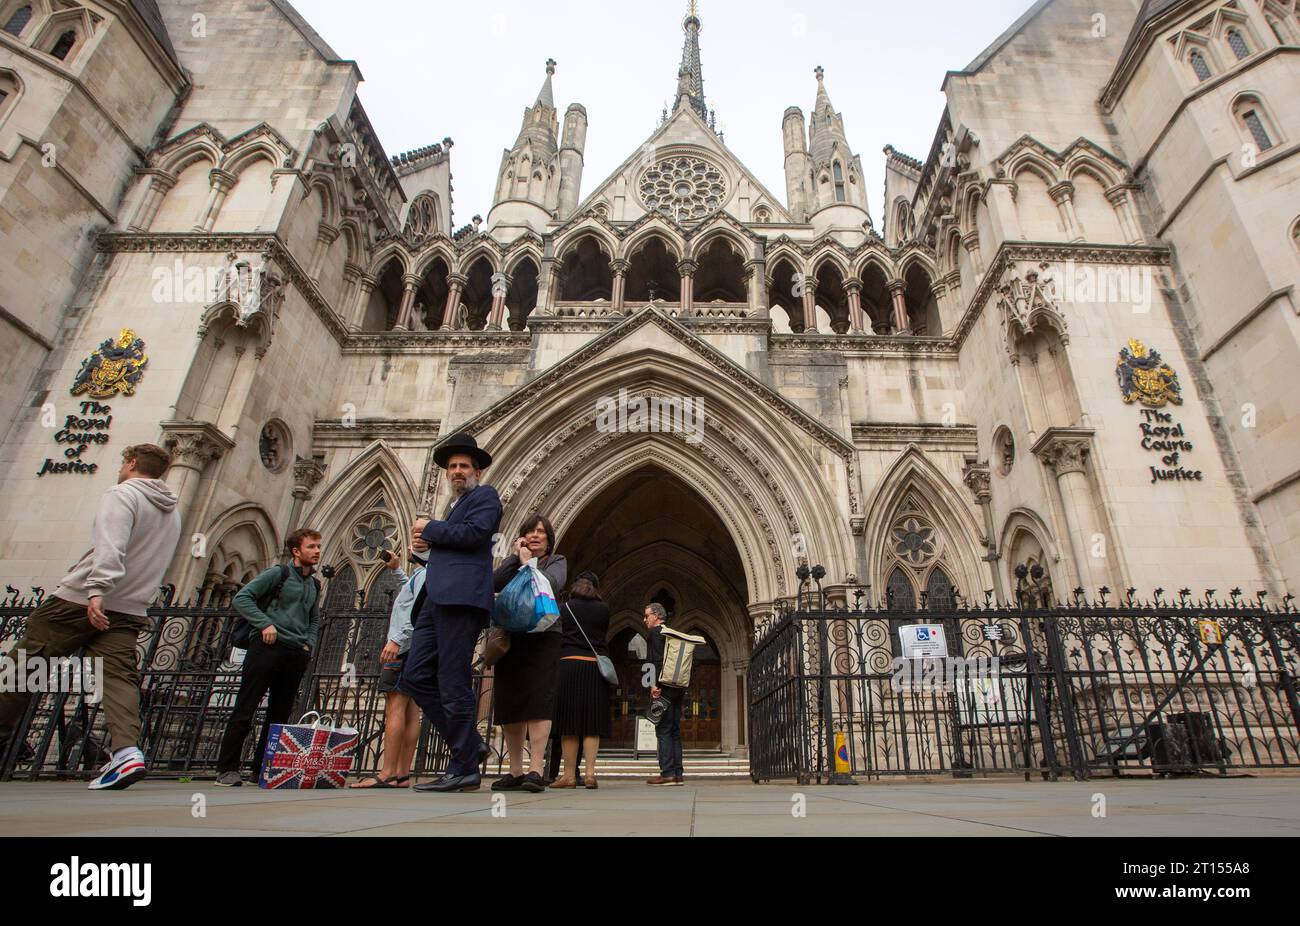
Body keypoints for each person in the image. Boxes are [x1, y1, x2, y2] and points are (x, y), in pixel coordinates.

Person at [0, 445, 181, 791]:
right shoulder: (171, 512)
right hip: (129, 606)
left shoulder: (122, 493)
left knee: (25, 664)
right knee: (118, 679)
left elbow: (110, 543)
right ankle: (127, 752)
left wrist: (98, 588)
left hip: (83, 600)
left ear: (130, 463)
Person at [403, 433, 503, 793]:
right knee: (414, 676)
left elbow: (476, 535)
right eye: (452, 467)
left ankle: (463, 767)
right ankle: (471, 746)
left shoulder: (485, 497)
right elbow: (450, 548)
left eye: (463, 466)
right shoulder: (453, 508)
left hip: (461, 600)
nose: (457, 471)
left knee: (453, 679)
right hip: (435, 597)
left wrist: (429, 528)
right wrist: (422, 550)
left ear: (476, 470)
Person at [214, 528, 323, 786]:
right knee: (246, 706)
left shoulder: (314, 583)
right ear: (296, 551)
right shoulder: (278, 574)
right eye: (311, 547)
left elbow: (314, 617)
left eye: (318, 546)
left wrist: (308, 643)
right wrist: (264, 624)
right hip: (267, 647)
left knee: (279, 713)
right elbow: (243, 598)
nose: (317, 551)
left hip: (295, 652)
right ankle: (227, 768)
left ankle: (261, 767)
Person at [489, 514, 567, 793]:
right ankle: (515, 770)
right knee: (510, 701)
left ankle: (536, 769)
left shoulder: (556, 562)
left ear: (549, 538)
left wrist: (528, 563)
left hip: (544, 635)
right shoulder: (513, 563)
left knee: (538, 699)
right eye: (529, 531)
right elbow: (494, 583)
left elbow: (552, 585)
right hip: (513, 635)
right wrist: (513, 557)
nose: (535, 535)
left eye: (540, 531)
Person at [350, 546, 427, 788]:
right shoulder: (428, 574)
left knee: (395, 706)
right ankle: (402, 773)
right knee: (412, 709)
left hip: (403, 648)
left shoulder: (427, 573)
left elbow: (415, 613)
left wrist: (397, 640)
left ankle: (387, 773)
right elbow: (413, 593)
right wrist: (397, 571)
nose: (412, 547)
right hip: (415, 649)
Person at [551, 571, 610, 789]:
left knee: (569, 724)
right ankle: (590, 773)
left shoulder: (565, 608)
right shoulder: (603, 609)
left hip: (569, 664)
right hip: (594, 666)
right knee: (591, 724)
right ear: (595, 587)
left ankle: (569, 775)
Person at [644, 602, 684, 786]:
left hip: (662, 688)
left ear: (657, 616)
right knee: (675, 731)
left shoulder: (655, 633)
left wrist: (652, 685)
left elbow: (653, 660)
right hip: (677, 688)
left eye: (647, 616)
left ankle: (667, 773)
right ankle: (677, 773)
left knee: (663, 730)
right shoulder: (671, 633)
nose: (645, 620)